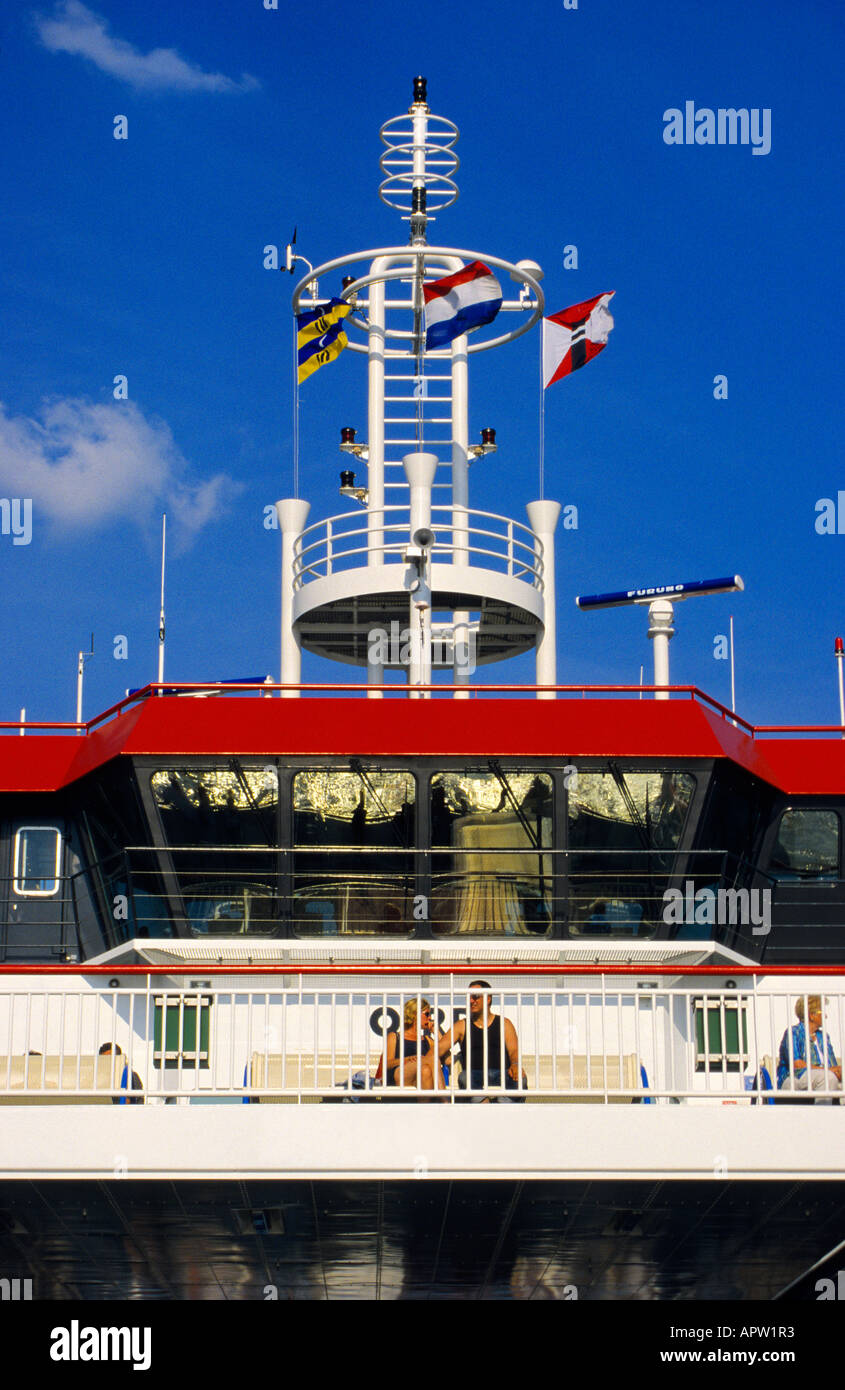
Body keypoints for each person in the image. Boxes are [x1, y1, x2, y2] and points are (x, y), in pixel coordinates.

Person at [438, 980, 524, 1101]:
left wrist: (515, 1064)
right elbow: (438, 1049)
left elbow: (513, 1051)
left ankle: (501, 1105)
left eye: (475, 997)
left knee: (521, 1078)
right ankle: (485, 1103)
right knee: (464, 1077)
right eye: (469, 997)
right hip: (475, 1075)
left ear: (488, 999)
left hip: (502, 1074)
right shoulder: (461, 1026)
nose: (471, 1001)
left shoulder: (504, 1024)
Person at [777, 996, 842, 1104]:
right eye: (822, 1012)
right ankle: (822, 1116)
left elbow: (832, 1065)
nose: (825, 1016)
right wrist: (827, 1070)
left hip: (821, 1076)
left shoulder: (823, 1036)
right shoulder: (794, 1033)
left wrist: (838, 1070)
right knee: (827, 1077)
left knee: (829, 1076)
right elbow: (797, 1065)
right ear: (811, 1015)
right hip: (795, 1077)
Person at [385, 999, 444, 1093]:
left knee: (425, 1070)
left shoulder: (427, 1040)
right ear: (415, 1014)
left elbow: (448, 1059)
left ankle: (424, 1105)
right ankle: (445, 1101)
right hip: (400, 1075)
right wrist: (408, 1059)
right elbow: (387, 1064)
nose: (430, 1018)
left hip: (419, 1079)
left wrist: (436, 1031)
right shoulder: (395, 1036)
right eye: (427, 1014)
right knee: (431, 1059)